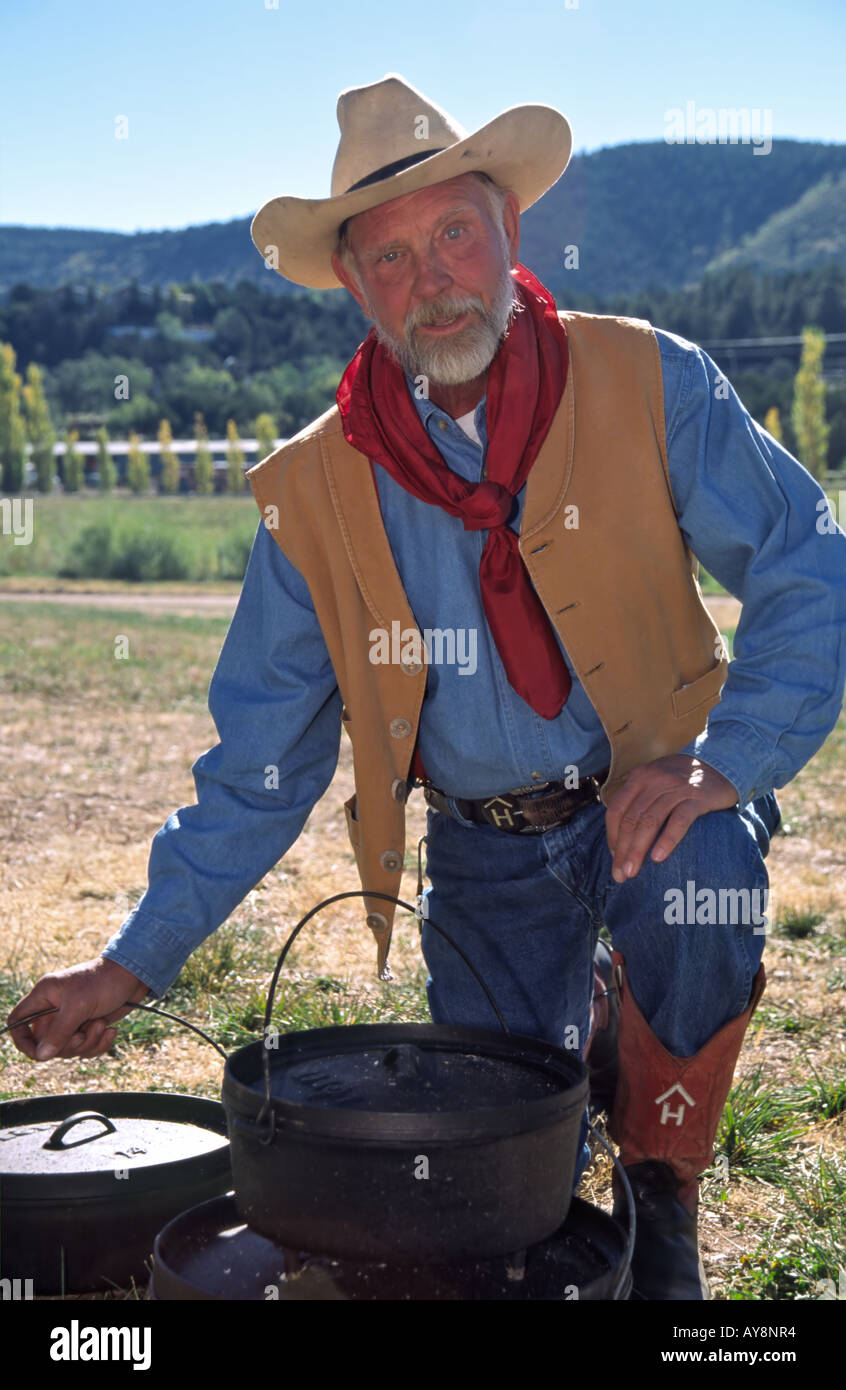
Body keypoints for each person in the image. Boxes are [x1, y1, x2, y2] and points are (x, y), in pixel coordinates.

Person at [8, 74, 846, 1300]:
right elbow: (259, 766)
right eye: (390, 256)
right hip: (485, 849)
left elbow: (809, 562)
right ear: (355, 286)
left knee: (696, 877)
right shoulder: (312, 490)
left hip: (654, 797)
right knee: (504, 1169)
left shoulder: (648, 379)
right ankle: (588, 1065)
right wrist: (128, 965)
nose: (433, 275)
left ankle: (664, 1197)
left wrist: (728, 758)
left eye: (455, 230)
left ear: (510, 230)